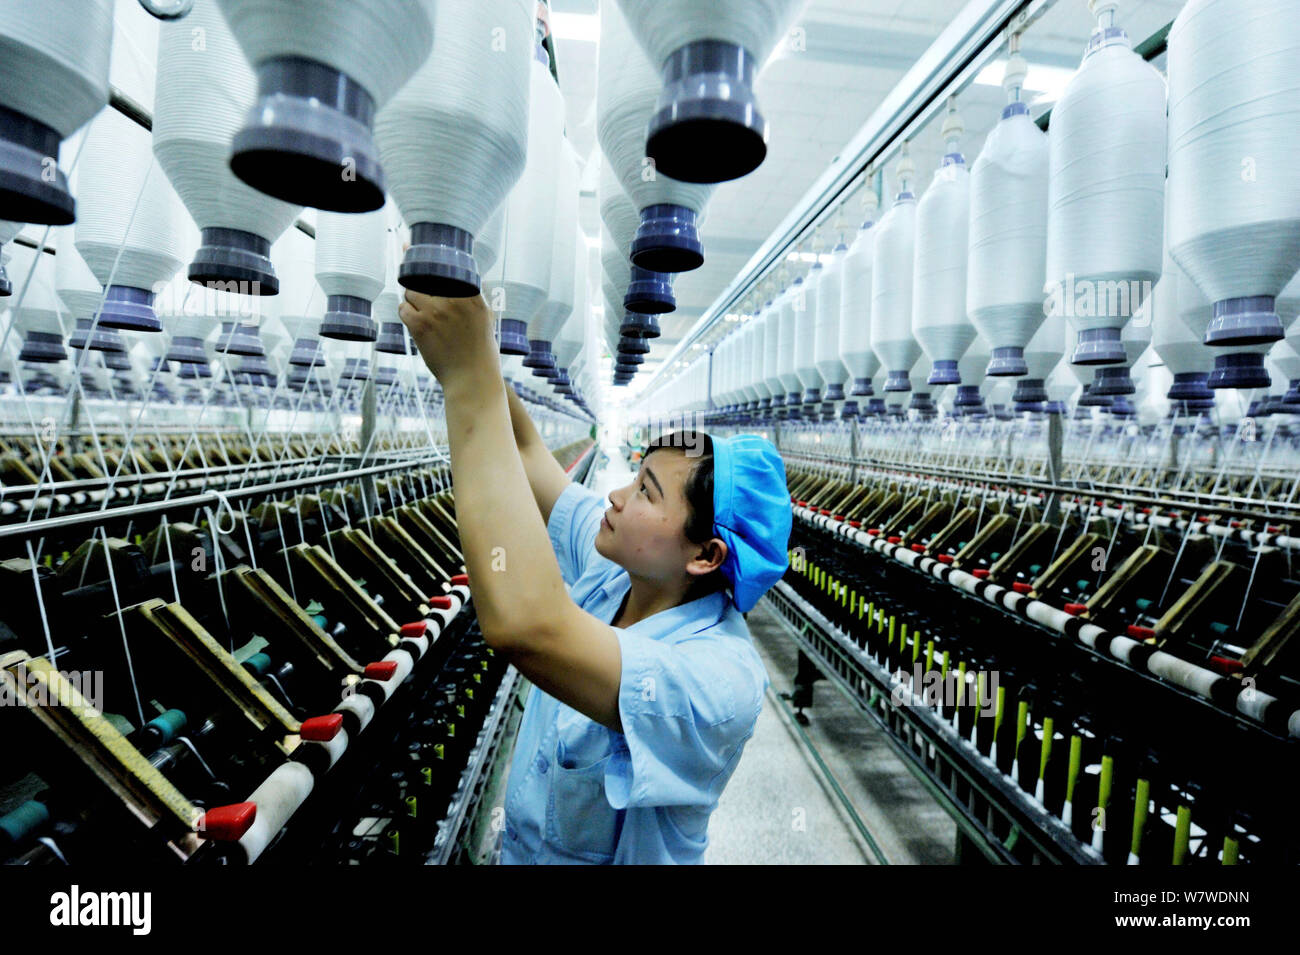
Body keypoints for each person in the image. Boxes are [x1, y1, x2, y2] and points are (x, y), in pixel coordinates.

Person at [399, 290, 793, 864]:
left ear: (706, 555)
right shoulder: (619, 575)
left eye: (645, 493)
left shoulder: (718, 683)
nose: (614, 495)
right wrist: (472, 337)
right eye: (634, 476)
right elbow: (530, 452)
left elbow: (526, 628)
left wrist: (466, 379)